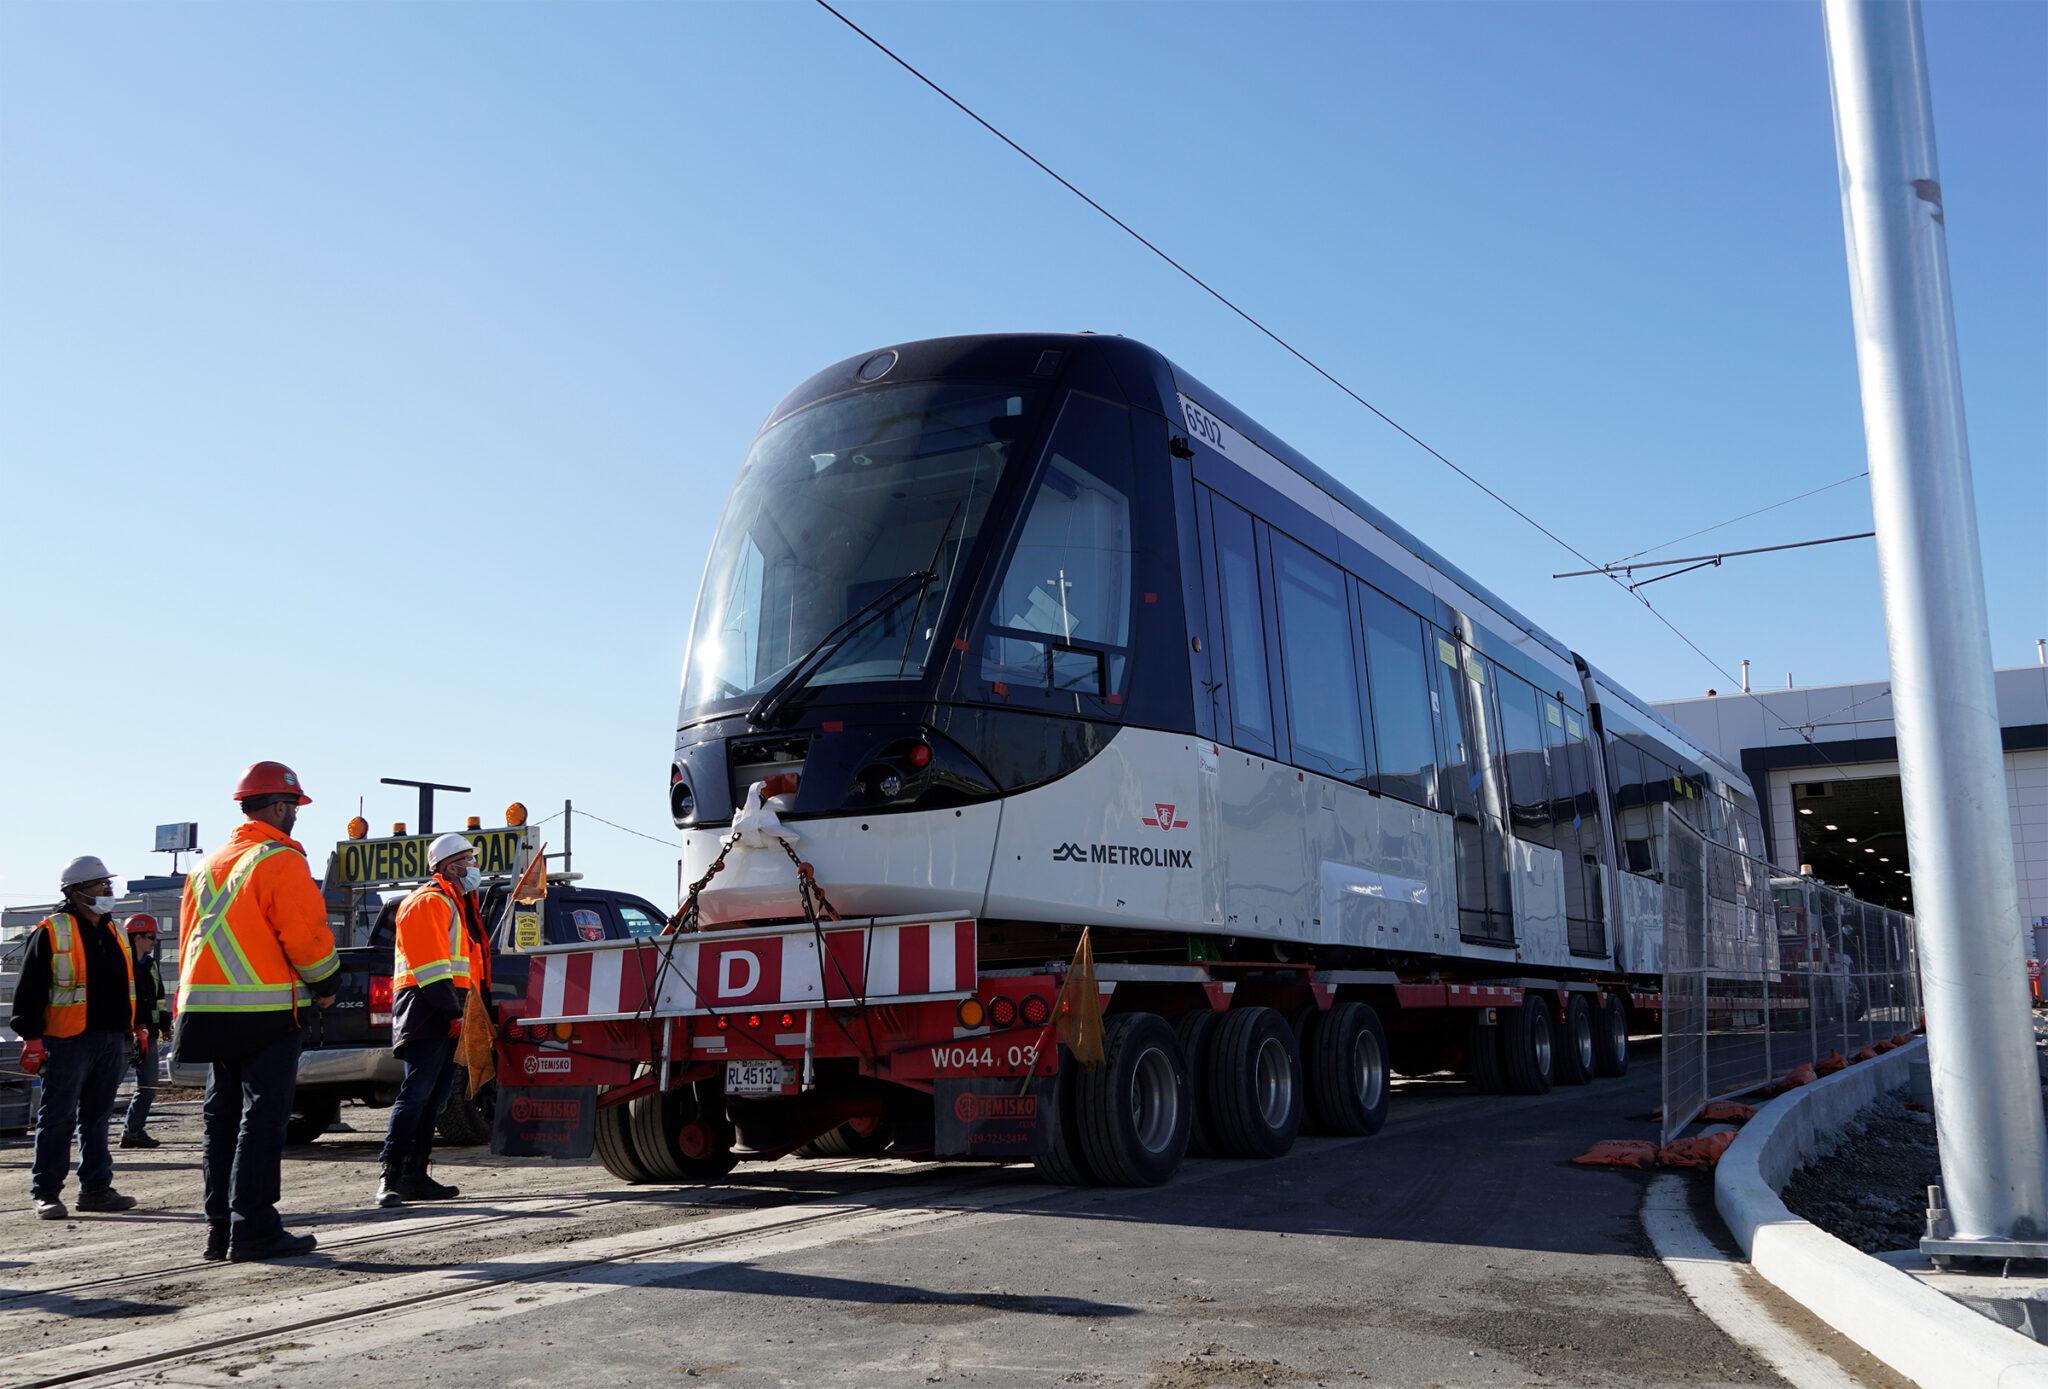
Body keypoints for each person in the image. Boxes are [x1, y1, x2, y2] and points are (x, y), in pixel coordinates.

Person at [173, 761, 340, 1262]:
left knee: (220, 1120)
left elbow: (187, 940)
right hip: (266, 1013)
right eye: (294, 808)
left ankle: (219, 1230)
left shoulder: (208, 865)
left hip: (206, 1010)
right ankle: (255, 1229)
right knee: (262, 1120)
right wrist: (326, 984)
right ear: (282, 807)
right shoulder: (280, 859)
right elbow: (306, 937)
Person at [9, 855, 142, 1220]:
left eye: (108, 884)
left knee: (97, 1118)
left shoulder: (115, 930)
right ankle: (46, 1192)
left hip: (111, 1037)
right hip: (67, 1039)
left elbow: (132, 983)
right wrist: (31, 1037)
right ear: (76, 893)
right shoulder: (52, 930)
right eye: (100, 885)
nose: (107, 890)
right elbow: (30, 989)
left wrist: (139, 1026)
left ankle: (96, 1189)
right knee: (58, 1117)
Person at [377, 833, 485, 1207]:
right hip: (427, 1009)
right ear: (449, 866)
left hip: (444, 1008)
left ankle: (416, 1175)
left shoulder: (453, 902)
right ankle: (390, 1176)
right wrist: (452, 1011)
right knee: (417, 1094)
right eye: (468, 860)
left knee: (433, 1098)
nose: (474, 867)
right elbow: (431, 967)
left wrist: (461, 1010)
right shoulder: (429, 902)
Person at [120, 914, 171, 1149]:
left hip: (148, 1035)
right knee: (105, 1087)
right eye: (151, 937)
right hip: (123, 1036)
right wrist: (133, 1027)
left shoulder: (150, 965)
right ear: (137, 937)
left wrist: (163, 1025)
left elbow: (158, 998)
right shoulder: (119, 963)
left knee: (148, 1086)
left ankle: (133, 1132)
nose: (154, 941)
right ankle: (92, 1134)